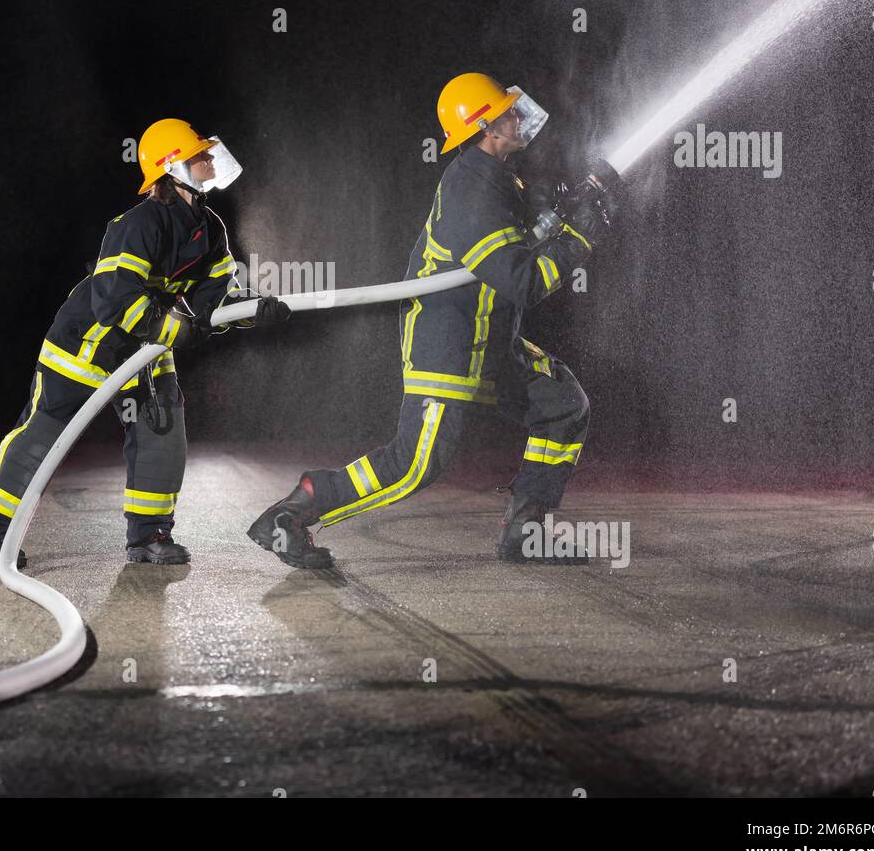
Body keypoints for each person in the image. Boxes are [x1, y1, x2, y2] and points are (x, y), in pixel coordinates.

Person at [247, 73, 614, 568]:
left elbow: (516, 246)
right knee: (415, 464)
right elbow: (523, 282)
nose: (517, 115)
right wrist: (578, 241)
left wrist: (556, 208)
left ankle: (525, 533)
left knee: (562, 405)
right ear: (484, 124)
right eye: (507, 110)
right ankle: (293, 513)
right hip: (450, 339)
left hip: (490, 337)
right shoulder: (471, 186)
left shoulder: (499, 177)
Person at [0, 118, 288, 569]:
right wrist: (174, 331)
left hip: (145, 351)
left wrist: (252, 309)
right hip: (87, 347)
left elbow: (212, 297)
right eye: (197, 154)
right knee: (41, 437)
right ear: (172, 165)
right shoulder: (138, 224)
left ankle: (149, 536)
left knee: (162, 436)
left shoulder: (208, 226)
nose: (207, 160)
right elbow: (116, 299)